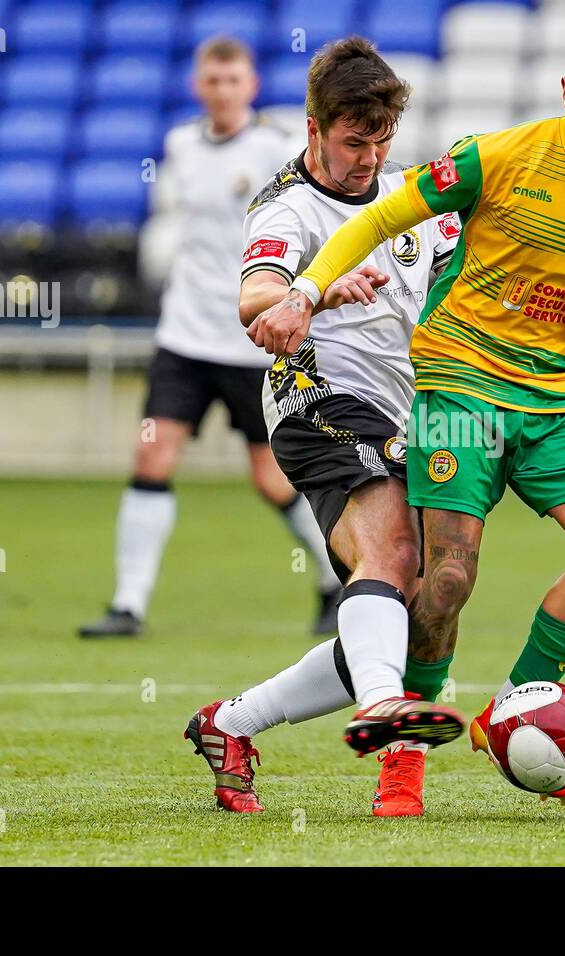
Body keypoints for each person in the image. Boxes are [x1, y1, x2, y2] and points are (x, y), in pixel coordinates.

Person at [250, 29, 565, 803]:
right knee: (447, 577)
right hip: (460, 385)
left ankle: (513, 713)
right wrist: (309, 290)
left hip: (561, 402)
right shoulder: (495, 158)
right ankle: (404, 761)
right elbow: (379, 219)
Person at [185, 38, 466, 817]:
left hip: (408, 411)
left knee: (406, 597)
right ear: (314, 129)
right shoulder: (285, 205)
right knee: (394, 554)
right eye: (352, 142)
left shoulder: (415, 203)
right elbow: (258, 297)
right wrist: (317, 293)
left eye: (381, 142)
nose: (368, 159)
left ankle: (231, 724)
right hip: (317, 402)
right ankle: (383, 710)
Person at [77, 37, 342, 639]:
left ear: (250, 86)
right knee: (152, 452)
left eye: (233, 81)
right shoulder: (179, 146)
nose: (222, 91)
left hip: (253, 337)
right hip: (184, 338)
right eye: (213, 80)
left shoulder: (279, 147)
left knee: (270, 477)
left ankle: (334, 578)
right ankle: (128, 605)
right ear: (200, 86)